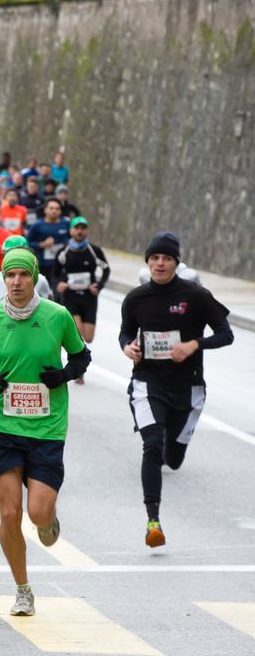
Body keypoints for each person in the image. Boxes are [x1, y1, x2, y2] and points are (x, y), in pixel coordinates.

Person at [0, 247, 91, 616]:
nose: (15, 282)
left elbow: (81, 357)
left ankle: (48, 519)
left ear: (34, 278)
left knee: (38, 514)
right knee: (10, 513)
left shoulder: (57, 316)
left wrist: (62, 375)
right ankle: (23, 589)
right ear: (3, 278)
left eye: (23, 275)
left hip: (47, 427)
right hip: (1, 426)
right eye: (9, 275)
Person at [119, 232, 232, 548]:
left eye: (166, 258)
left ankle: (173, 442)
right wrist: (128, 347)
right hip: (147, 381)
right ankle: (153, 521)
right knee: (152, 445)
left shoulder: (195, 295)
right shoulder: (136, 298)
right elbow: (126, 333)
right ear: (148, 262)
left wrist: (194, 344)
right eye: (154, 258)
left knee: (174, 457)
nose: (159, 263)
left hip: (188, 387)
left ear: (176, 263)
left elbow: (226, 334)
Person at [54, 217, 110, 376]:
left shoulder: (94, 250)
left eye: (83, 228)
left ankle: (79, 359)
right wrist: (60, 285)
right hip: (71, 297)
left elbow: (106, 270)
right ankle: (79, 367)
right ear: (71, 231)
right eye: (76, 228)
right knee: (77, 332)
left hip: (89, 298)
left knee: (89, 337)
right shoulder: (64, 251)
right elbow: (55, 274)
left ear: (86, 231)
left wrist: (98, 286)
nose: (79, 231)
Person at [0, 235, 53, 315]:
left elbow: (50, 307)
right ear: (3, 256)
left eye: (24, 275)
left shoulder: (40, 280)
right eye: (10, 255)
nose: (16, 282)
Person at [27, 197, 71, 288]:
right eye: (51, 208)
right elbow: (27, 243)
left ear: (60, 211)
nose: (54, 211)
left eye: (57, 209)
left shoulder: (66, 224)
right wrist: (42, 244)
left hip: (61, 266)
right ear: (45, 210)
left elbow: (72, 240)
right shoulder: (37, 225)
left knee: (57, 294)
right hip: (43, 266)